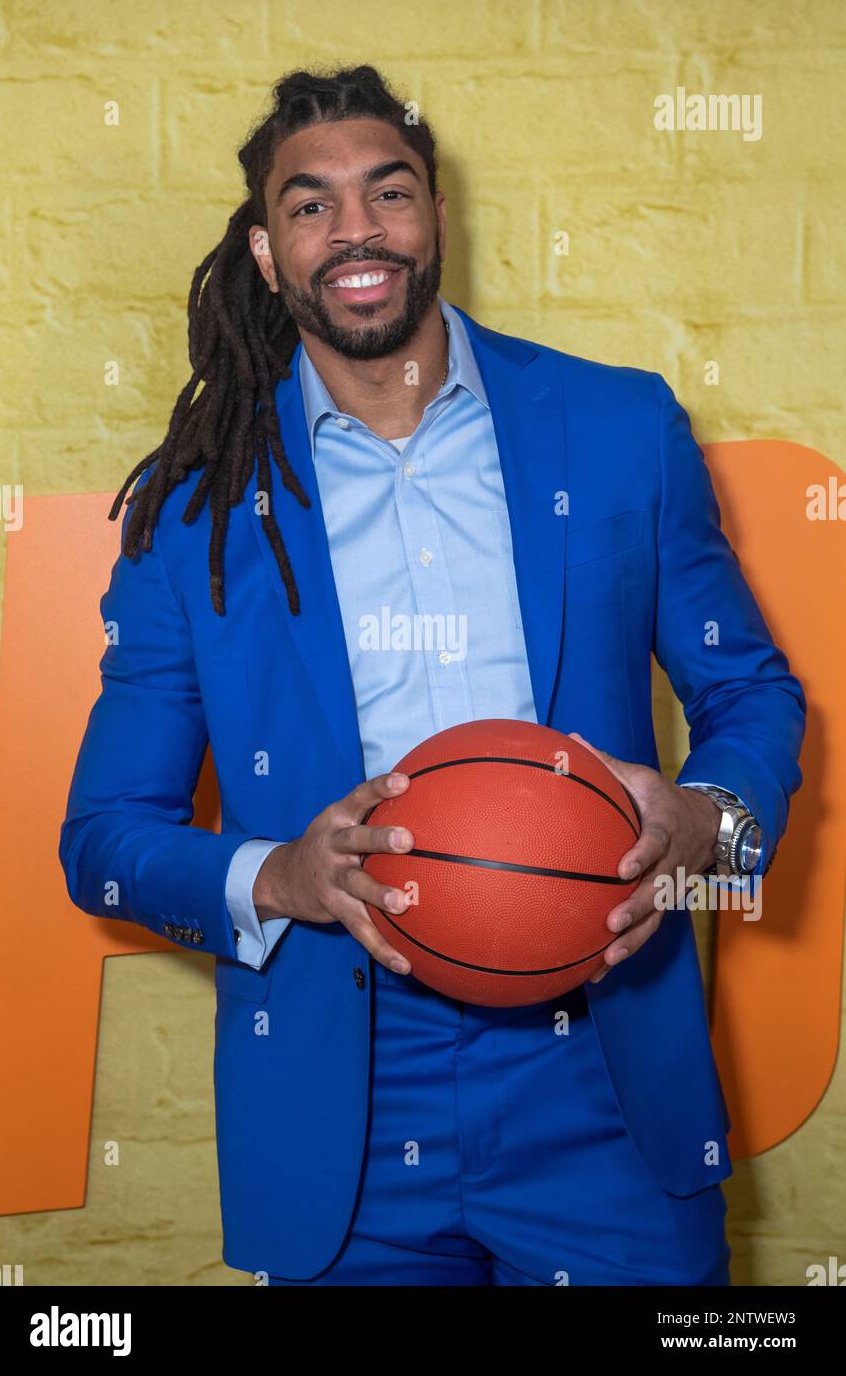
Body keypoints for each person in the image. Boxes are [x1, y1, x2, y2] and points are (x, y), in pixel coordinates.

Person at [59, 64, 806, 1286]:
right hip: (339, 1089)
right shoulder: (191, 511)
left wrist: (701, 824)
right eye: (309, 205)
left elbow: (750, 696)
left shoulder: (616, 430)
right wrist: (281, 877)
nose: (354, 230)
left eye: (386, 192)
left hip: (602, 1058)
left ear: (437, 216)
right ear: (264, 251)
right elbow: (103, 836)